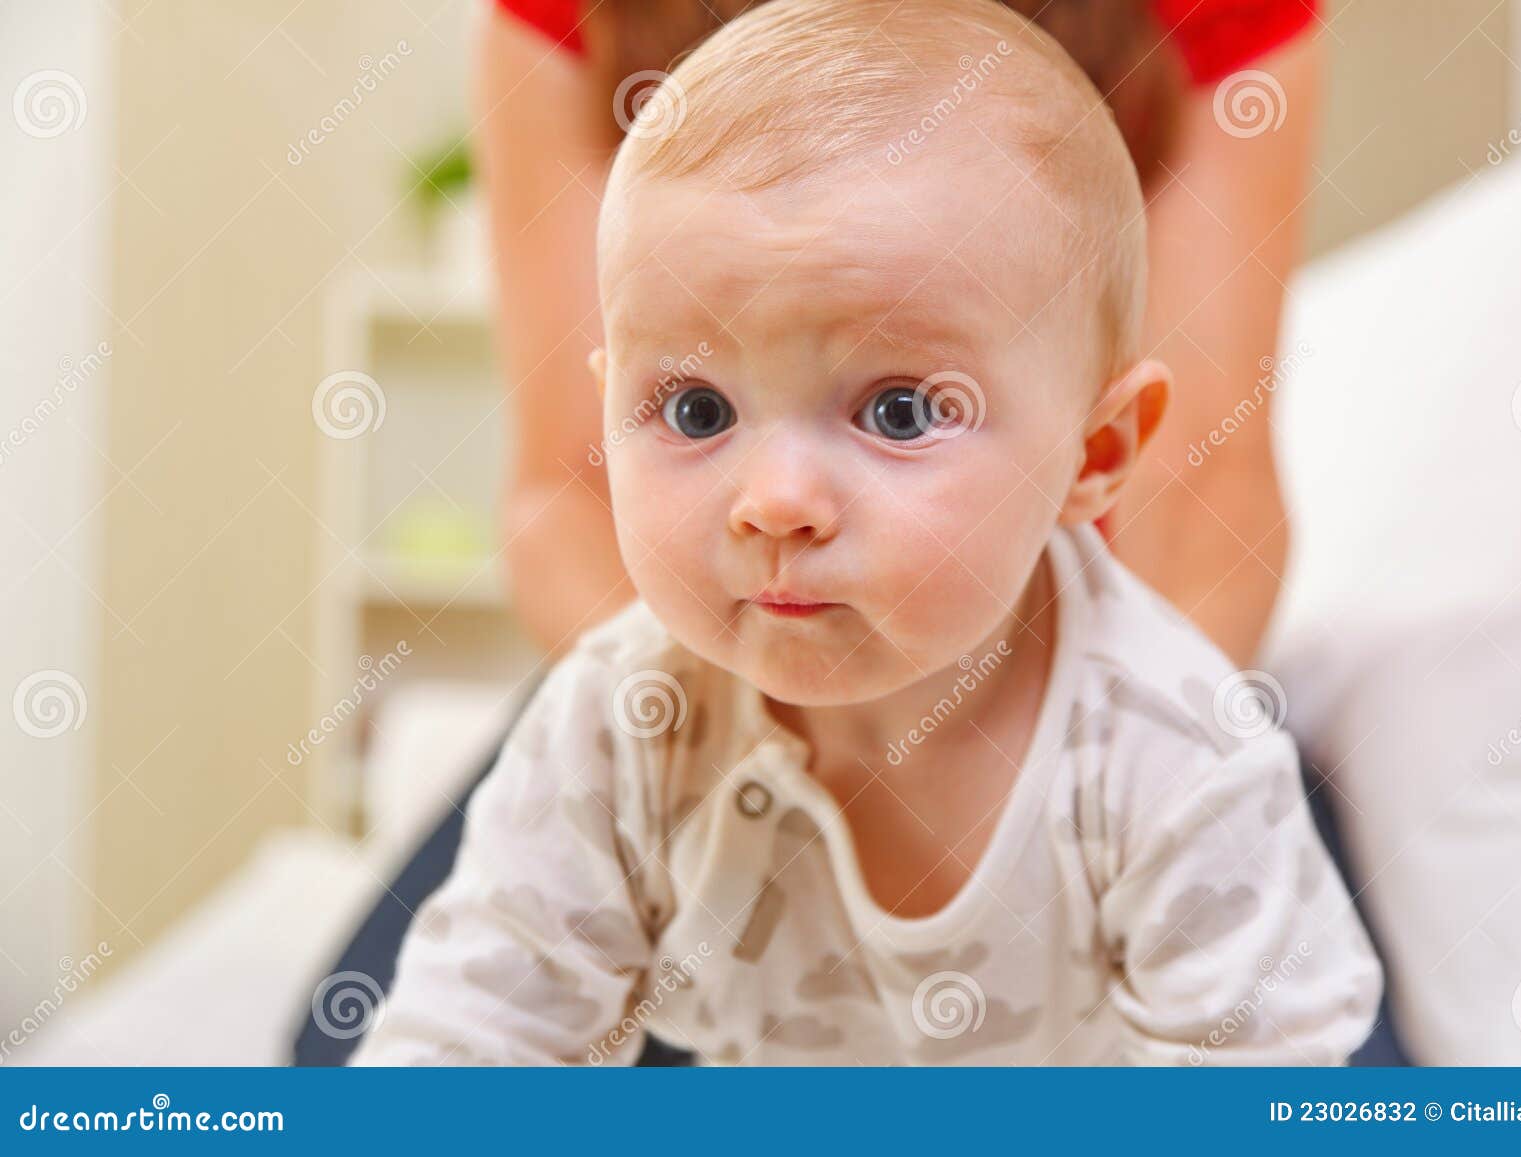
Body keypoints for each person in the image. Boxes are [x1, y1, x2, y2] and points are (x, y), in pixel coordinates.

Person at [346, 0, 1380, 1065]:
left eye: (898, 410)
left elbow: (1267, 1086)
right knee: (342, 1033)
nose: (776, 498)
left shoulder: (1175, 755)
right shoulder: (619, 725)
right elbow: (468, 1034)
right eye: (698, 409)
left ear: (1098, 450)